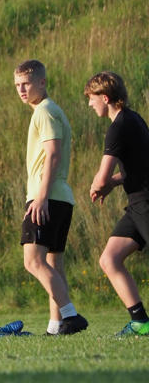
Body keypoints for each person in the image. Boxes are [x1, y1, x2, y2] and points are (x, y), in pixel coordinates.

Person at [13, 60, 87, 335]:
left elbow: (53, 154)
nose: (21, 90)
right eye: (17, 85)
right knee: (53, 264)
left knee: (32, 261)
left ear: (42, 83)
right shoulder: (49, 111)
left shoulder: (44, 111)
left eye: (26, 84)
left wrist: (40, 197)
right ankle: (56, 326)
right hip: (59, 196)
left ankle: (70, 315)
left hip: (47, 196)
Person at [86, 71, 149, 336]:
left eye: (91, 98)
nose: (89, 104)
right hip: (137, 204)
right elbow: (138, 168)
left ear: (105, 97)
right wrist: (114, 182)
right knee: (110, 259)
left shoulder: (117, 127)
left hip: (145, 202)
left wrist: (99, 184)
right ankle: (140, 323)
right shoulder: (134, 118)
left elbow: (101, 177)